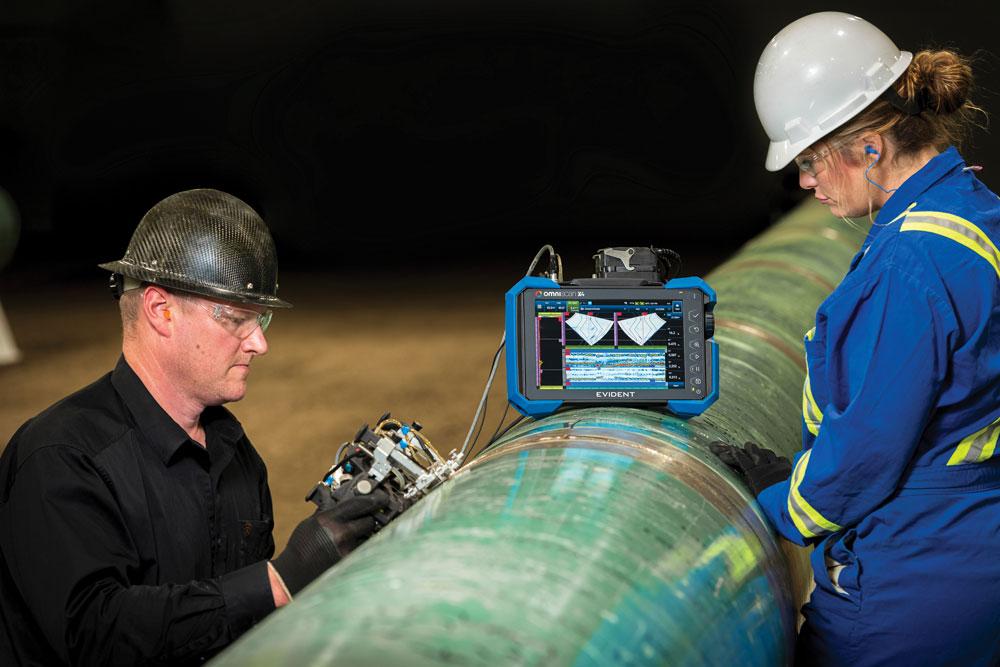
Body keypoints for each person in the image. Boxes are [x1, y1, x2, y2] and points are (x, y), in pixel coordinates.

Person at [710, 12, 1000, 666]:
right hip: (974, 556)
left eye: (811, 159)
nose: (806, 182)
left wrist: (779, 503)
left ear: (870, 146)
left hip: (908, 595)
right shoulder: (976, 212)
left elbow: (864, 452)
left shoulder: (908, 264)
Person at [0, 189, 387, 665]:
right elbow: (93, 633)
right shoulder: (60, 457)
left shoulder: (234, 452)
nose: (260, 343)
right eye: (236, 319)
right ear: (161, 311)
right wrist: (277, 580)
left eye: (261, 318)